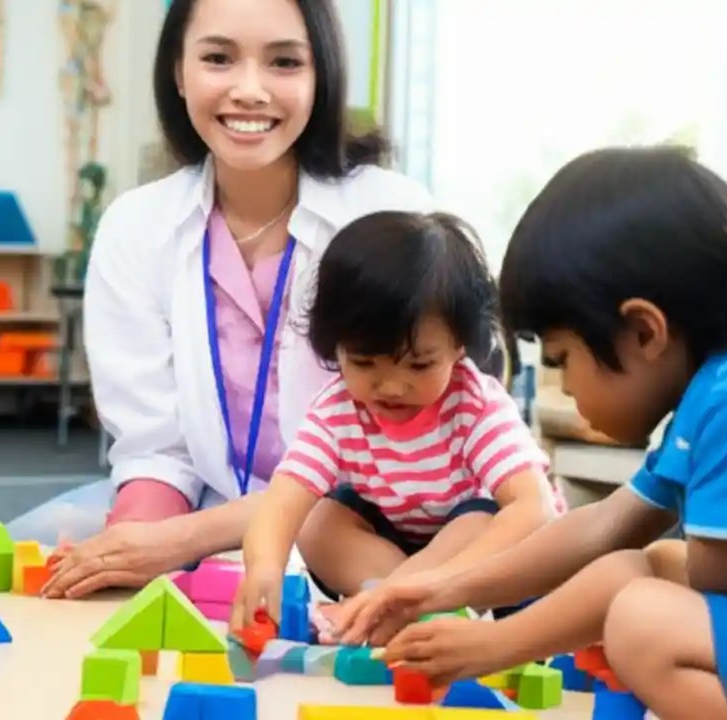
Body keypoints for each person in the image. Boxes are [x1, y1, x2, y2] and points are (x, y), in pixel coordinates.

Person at [330, 146, 727, 719]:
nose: (566, 386)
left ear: (644, 332)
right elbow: (603, 529)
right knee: (637, 579)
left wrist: (497, 643)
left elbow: (703, 579)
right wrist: (444, 587)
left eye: (561, 357)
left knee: (641, 617)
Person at [27, 0, 470, 598]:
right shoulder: (137, 226)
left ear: (322, 76)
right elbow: (156, 450)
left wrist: (183, 540)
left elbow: (398, 450)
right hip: (203, 509)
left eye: (284, 62)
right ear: (179, 73)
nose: (250, 90)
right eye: (217, 58)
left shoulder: (391, 215)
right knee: (38, 558)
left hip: (364, 521)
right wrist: (133, 543)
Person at [231, 212, 558, 630]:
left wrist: (432, 583)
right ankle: (395, 604)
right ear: (336, 347)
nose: (391, 387)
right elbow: (282, 502)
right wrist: (263, 566)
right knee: (318, 523)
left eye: (419, 366)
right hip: (391, 552)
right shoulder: (336, 410)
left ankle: (404, 600)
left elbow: (534, 508)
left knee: (481, 519)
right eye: (365, 362)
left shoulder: (475, 405)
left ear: (459, 346)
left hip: (477, 561)